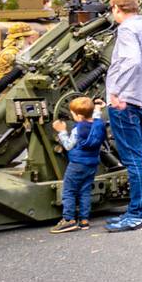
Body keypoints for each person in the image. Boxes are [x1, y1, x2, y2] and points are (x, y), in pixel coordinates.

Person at [104, 0, 142, 232]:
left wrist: (116, 91)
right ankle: (139, 210)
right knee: (141, 157)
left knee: (133, 158)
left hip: (125, 101)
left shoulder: (127, 29)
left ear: (117, 8)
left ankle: (138, 214)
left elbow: (131, 61)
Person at [50, 96, 108, 233]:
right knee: (85, 191)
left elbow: (69, 146)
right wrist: (98, 107)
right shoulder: (98, 124)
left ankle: (68, 219)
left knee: (69, 191)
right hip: (92, 164)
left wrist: (62, 131)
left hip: (77, 164)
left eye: (73, 114)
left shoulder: (78, 129)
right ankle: (84, 220)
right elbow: (97, 117)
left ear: (79, 116)